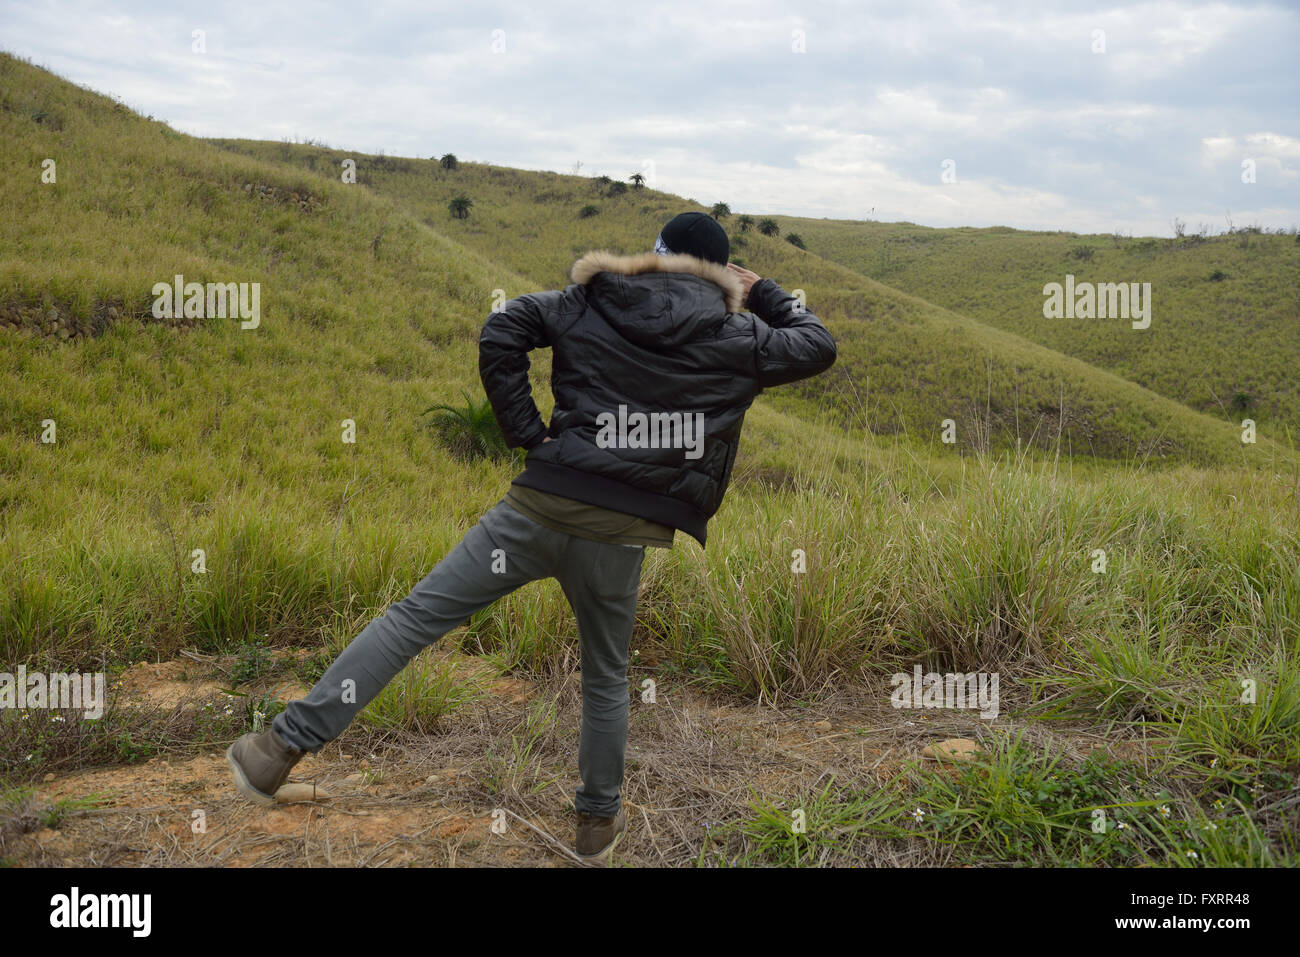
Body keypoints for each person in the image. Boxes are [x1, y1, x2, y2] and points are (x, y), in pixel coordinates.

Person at [226, 211, 838, 860]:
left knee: (412, 620)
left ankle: (274, 753)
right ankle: (596, 828)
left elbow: (504, 328)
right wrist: (764, 288)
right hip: (621, 533)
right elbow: (816, 343)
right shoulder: (737, 331)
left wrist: (529, 432)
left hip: (537, 508)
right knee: (606, 677)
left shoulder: (592, 298)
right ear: (723, 273)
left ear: (653, 253)